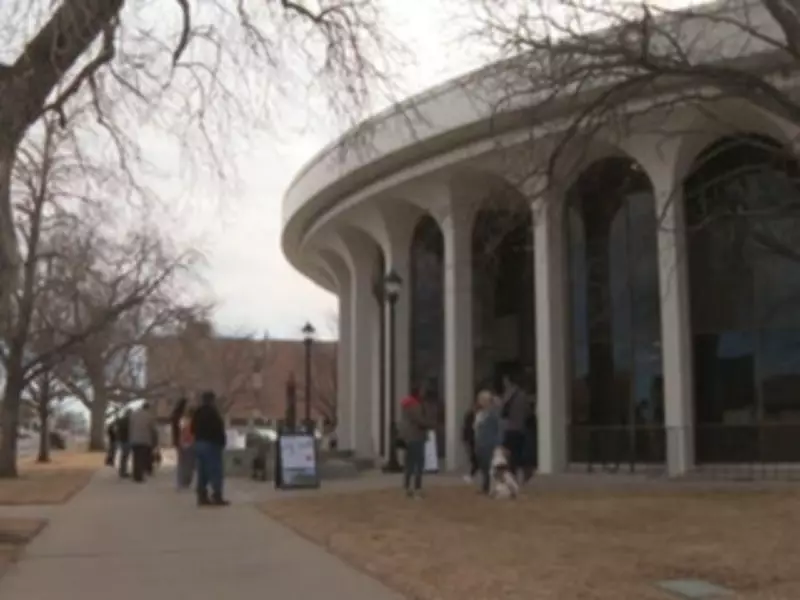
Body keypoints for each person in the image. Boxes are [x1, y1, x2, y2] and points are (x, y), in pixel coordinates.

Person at [191, 391, 229, 506]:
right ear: (212, 400)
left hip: (199, 443)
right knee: (215, 470)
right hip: (212, 444)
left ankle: (202, 495)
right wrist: (222, 442)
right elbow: (218, 429)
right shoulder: (213, 413)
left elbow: (192, 428)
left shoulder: (198, 412)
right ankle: (217, 495)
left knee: (202, 471)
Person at [398, 384, 434, 499]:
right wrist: (431, 424)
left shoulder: (406, 404)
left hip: (409, 437)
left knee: (409, 464)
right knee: (418, 464)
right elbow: (421, 421)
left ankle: (407, 487)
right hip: (416, 437)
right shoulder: (415, 405)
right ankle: (416, 489)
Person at [500, 369, 530, 479]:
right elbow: (527, 411)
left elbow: (501, 411)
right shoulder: (523, 395)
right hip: (520, 428)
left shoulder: (508, 395)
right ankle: (516, 474)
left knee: (508, 455)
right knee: (517, 454)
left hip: (509, 428)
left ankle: (511, 476)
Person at [474, 390, 503, 495]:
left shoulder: (493, 414)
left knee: (490, 467)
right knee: (483, 466)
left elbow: (499, 429)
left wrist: (498, 444)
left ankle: (491, 487)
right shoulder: (480, 414)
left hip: (489, 444)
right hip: (480, 443)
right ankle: (485, 486)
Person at [129, 402, 156, 483]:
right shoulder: (149, 416)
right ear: (148, 408)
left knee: (136, 458)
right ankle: (139, 476)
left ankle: (135, 475)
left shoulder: (134, 415)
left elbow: (131, 427)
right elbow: (152, 429)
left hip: (134, 439)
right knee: (142, 458)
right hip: (144, 440)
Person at [170, 398, 189, 487]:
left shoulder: (175, 415)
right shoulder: (182, 417)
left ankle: (181, 481)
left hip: (178, 439)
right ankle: (183, 481)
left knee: (182, 461)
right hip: (184, 439)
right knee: (185, 461)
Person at [177, 407, 196, 489]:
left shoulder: (183, 421)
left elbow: (181, 433)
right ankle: (186, 481)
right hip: (191, 444)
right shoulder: (195, 423)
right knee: (190, 464)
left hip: (183, 444)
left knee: (182, 464)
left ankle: (181, 482)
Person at [461, 399, 479, 483]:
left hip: (474, 439)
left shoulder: (477, 415)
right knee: (474, 457)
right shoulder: (470, 415)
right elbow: (467, 428)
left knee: (475, 458)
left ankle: (472, 475)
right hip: (471, 438)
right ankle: (472, 474)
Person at [116, 411, 131, 478]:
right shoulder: (129, 421)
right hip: (128, 439)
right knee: (125, 456)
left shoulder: (121, 420)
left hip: (122, 440)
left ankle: (122, 470)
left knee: (123, 456)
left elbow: (117, 428)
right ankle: (123, 471)